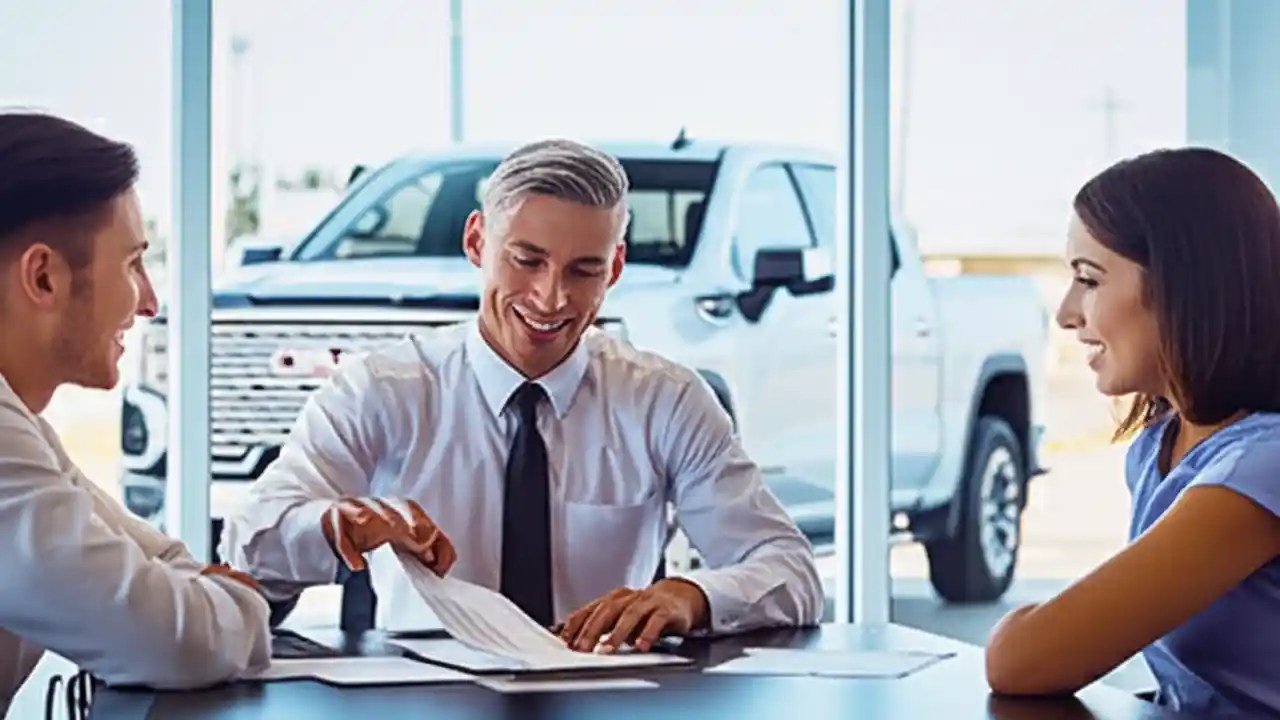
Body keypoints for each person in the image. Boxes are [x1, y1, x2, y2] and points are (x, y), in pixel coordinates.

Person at [221, 138, 823, 652]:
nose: (551, 298)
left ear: (614, 270)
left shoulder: (664, 401)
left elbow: (791, 572)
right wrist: (334, 524)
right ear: (478, 242)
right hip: (421, 695)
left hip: (605, 695)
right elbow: (248, 549)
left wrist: (688, 597)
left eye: (583, 271)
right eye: (527, 260)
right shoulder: (382, 390)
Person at [984, 147, 1280, 716]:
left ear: (1181, 286)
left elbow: (1022, 659)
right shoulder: (1159, 448)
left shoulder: (1259, 471)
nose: (1068, 313)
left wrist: (1031, 626)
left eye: (1089, 280)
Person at [0, 111, 272, 714]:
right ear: (43, 277)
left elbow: (165, 561)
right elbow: (171, 641)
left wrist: (209, 598)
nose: (148, 302)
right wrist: (243, 610)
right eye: (131, 264)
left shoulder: (21, 430)